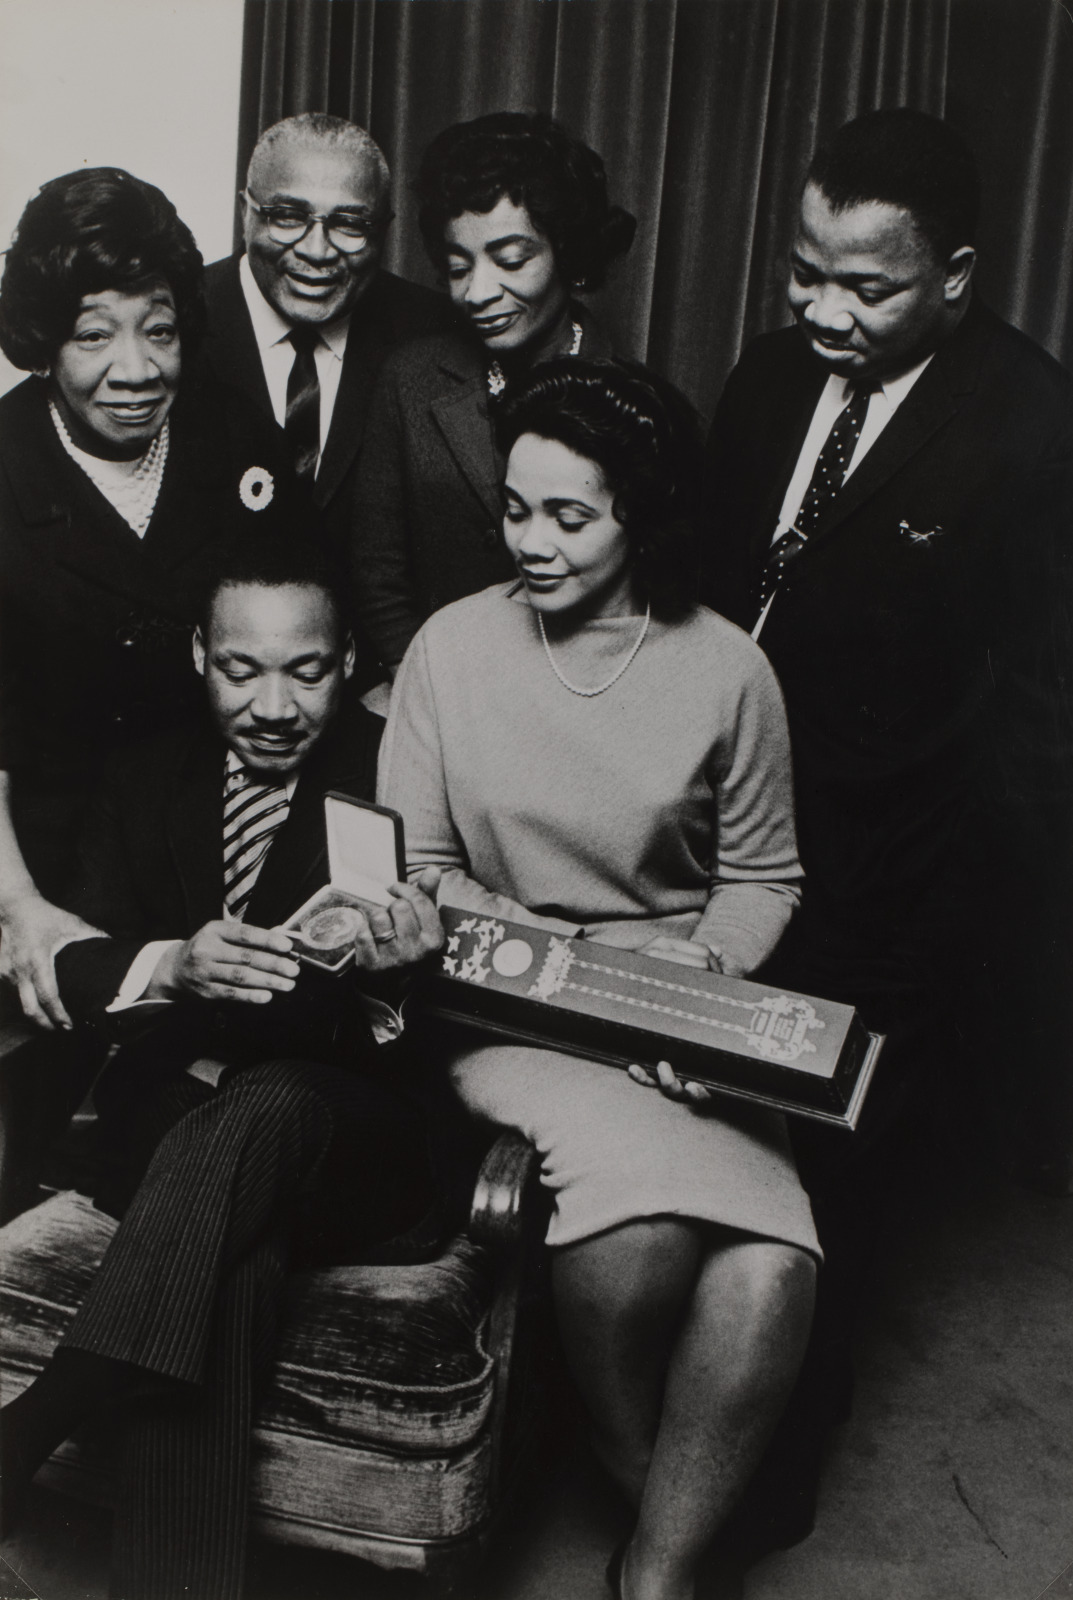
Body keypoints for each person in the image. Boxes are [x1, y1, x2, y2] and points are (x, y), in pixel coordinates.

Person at [379, 359, 818, 1600]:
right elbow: (421, 870)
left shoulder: (729, 668)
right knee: (627, 1250)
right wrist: (569, 970)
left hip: (682, 1010)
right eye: (516, 508)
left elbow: (764, 879)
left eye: (569, 516)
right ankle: (647, 1477)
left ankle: (656, 1570)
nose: (531, 541)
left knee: (769, 1267)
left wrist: (696, 967)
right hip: (511, 1006)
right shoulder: (449, 650)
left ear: (642, 515)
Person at [701, 106, 1073, 1481]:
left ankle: (775, 1464)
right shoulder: (760, 380)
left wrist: (963, 916)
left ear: (957, 276)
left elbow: (1040, 710)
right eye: (804, 272)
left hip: (900, 877)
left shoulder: (1031, 426)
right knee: (701, 1134)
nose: (820, 309)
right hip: (724, 840)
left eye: (865, 287)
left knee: (827, 1189)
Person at [0, 541, 446, 1600]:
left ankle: (24, 1432)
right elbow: (77, 961)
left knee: (273, 1098)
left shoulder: (404, 769)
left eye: (305, 670)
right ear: (200, 655)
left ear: (347, 665)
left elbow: (447, 1039)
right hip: (182, 1149)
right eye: (241, 669)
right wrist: (175, 965)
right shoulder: (148, 769)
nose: (274, 705)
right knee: (228, 1262)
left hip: (356, 1144)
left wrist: (391, 990)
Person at [0, 166, 294, 1033]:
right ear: (46, 341)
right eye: (94, 337)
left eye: (158, 331)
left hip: (210, 858)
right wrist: (18, 910)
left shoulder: (234, 436)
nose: (135, 370)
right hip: (34, 875)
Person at [351, 111, 636, 674]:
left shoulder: (631, 395)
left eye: (510, 261)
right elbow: (377, 572)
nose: (479, 292)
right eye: (459, 268)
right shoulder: (410, 380)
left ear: (567, 253)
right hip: (434, 687)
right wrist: (433, 693)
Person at [199, 113, 452, 562]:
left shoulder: (432, 333)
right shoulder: (177, 322)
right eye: (287, 216)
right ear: (245, 212)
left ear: (384, 231)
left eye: (350, 224)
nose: (317, 251)